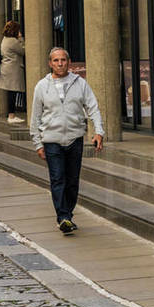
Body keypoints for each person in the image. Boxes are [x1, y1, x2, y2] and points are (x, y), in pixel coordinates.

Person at [29, 48, 105, 235]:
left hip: (74, 139)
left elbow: (93, 108)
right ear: (50, 63)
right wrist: (38, 143)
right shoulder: (41, 86)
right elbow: (35, 118)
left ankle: (67, 215)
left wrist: (98, 131)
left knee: (72, 181)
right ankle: (63, 217)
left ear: (68, 62)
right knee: (58, 179)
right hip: (52, 140)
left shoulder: (80, 83)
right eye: (56, 60)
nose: (60, 63)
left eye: (63, 60)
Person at [0, 20, 26, 123]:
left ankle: (11, 115)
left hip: (7, 68)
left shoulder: (5, 39)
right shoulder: (12, 41)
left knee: (11, 92)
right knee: (12, 93)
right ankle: (11, 116)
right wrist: (21, 38)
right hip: (12, 69)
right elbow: (23, 51)